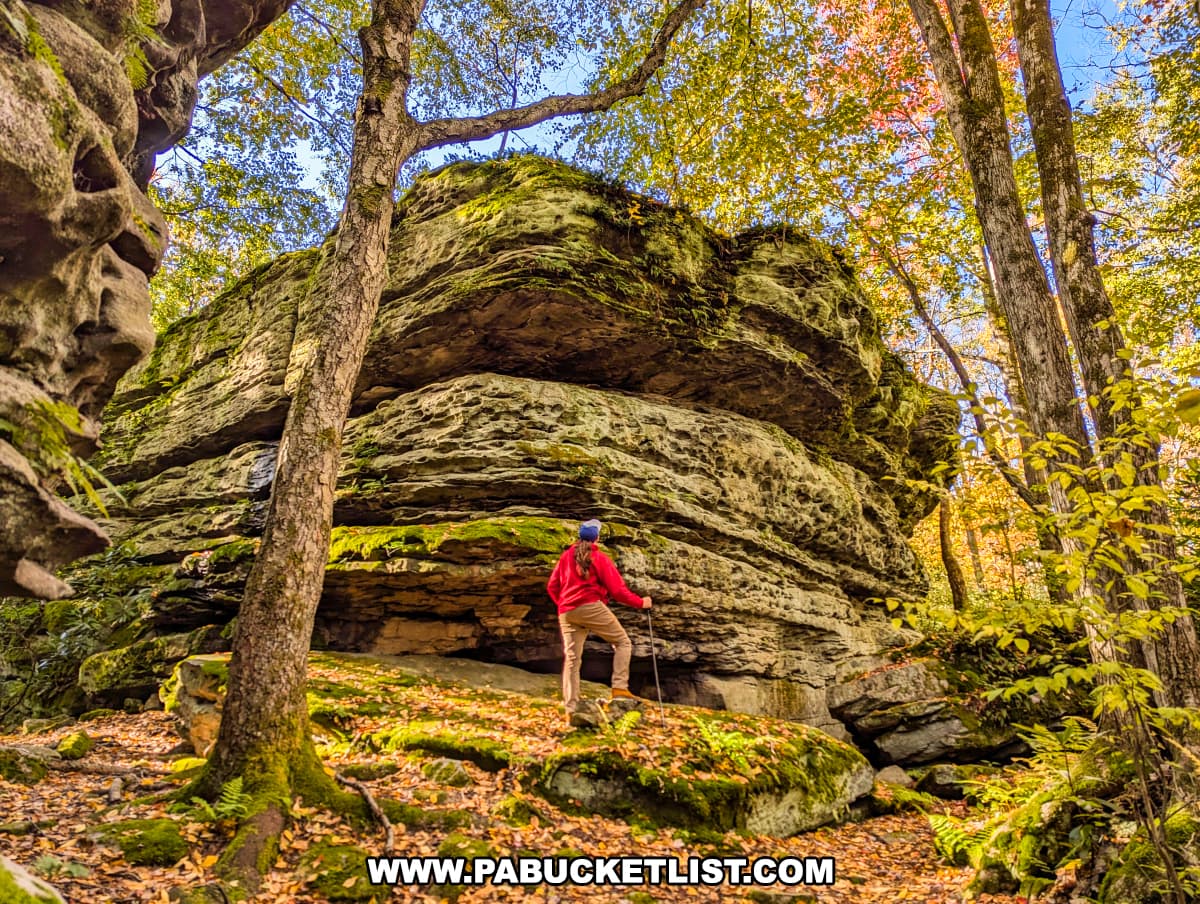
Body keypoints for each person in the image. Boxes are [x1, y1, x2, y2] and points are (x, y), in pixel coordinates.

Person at [547, 519, 652, 723]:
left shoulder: (565, 557)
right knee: (623, 642)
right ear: (597, 537)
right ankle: (620, 688)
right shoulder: (599, 558)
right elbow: (618, 590)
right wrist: (642, 603)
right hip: (590, 606)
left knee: (572, 661)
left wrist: (564, 604)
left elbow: (552, 586)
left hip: (566, 612)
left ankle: (571, 708)